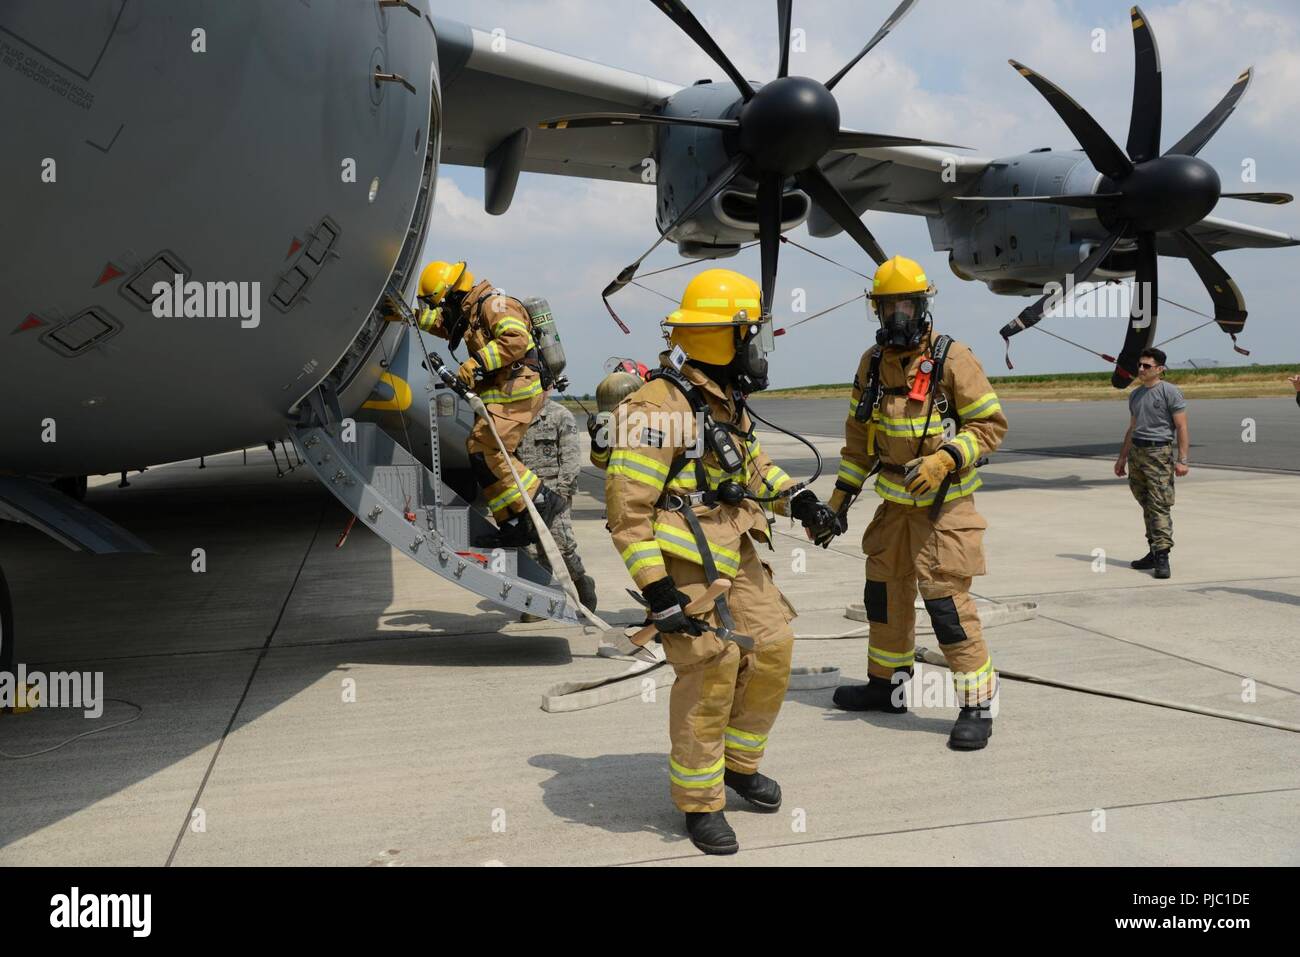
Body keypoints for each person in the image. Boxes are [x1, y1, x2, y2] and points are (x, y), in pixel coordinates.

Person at [603, 269, 839, 855]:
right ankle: (699, 804)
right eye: (752, 335)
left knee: (773, 650)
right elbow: (627, 513)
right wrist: (658, 592)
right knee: (711, 676)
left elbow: (752, 471)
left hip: (738, 552)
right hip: (686, 569)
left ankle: (737, 765)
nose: (760, 349)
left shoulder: (724, 400)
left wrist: (800, 500)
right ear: (721, 340)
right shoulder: (655, 408)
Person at [828, 255, 1008, 751]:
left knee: (947, 607)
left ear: (922, 304)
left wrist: (946, 459)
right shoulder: (870, 364)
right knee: (884, 598)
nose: (896, 315)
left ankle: (976, 706)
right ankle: (888, 688)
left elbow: (989, 426)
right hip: (892, 509)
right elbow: (857, 445)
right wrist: (838, 503)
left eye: (904, 304)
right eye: (887, 307)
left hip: (944, 509)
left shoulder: (953, 358)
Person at [413, 260, 563, 547]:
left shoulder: (494, 305)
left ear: (453, 296)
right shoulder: (470, 315)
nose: (442, 313)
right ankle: (512, 523)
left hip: (518, 391)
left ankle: (543, 498)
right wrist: (409, 315)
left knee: (487, 448)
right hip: (504, 393)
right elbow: (444, 325)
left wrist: (476, 363)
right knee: (478, 451)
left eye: (442, 305)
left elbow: (515, 339)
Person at [516, 395, 597, 619]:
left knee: (562, 547)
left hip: (553, 493)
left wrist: (561, 494)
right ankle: (541, 603)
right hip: (525, 494)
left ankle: (582, 581)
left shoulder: (560, 415)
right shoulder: (514, 417)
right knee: (532, 552)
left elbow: (571, 458)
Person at [1113, 347, 1189, 579]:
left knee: (1159, 505)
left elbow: (1181, 427)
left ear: (1159, 369)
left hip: (1159, 453)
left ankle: (1163, 556)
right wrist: (1123, 457)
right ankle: (1154, 550)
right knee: (1146, 503)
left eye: (1147, 366)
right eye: (1140, 365)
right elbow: (1132, 427)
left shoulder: (1170, 392)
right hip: (1137, 452)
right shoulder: (1135, 395)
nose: (1141, 369)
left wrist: (1182, 459)